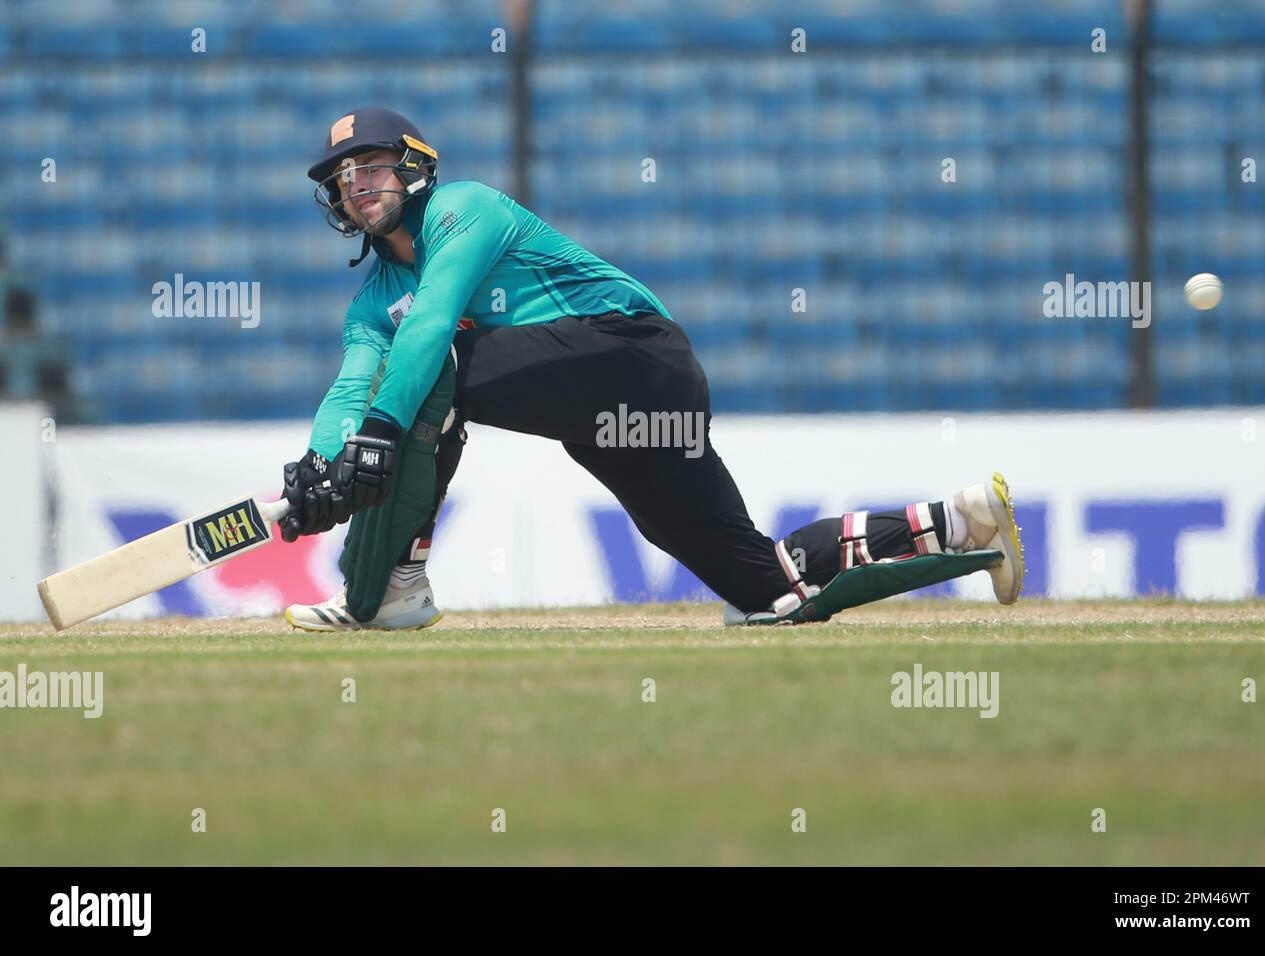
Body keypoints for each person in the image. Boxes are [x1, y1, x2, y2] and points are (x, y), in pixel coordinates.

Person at [279, 107, 1024, 631]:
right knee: (767, 591)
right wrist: (321, 463)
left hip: (634, 353)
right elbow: (354, 385)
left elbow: (433, 327)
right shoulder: (373, 300)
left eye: (371, 167)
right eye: (343, 177)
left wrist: (372, 436)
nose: (356, 185)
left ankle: (391, 586)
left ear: (413, 168)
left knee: (428, 374)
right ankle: (959, 520)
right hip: (606, 415)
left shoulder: (463, 209)